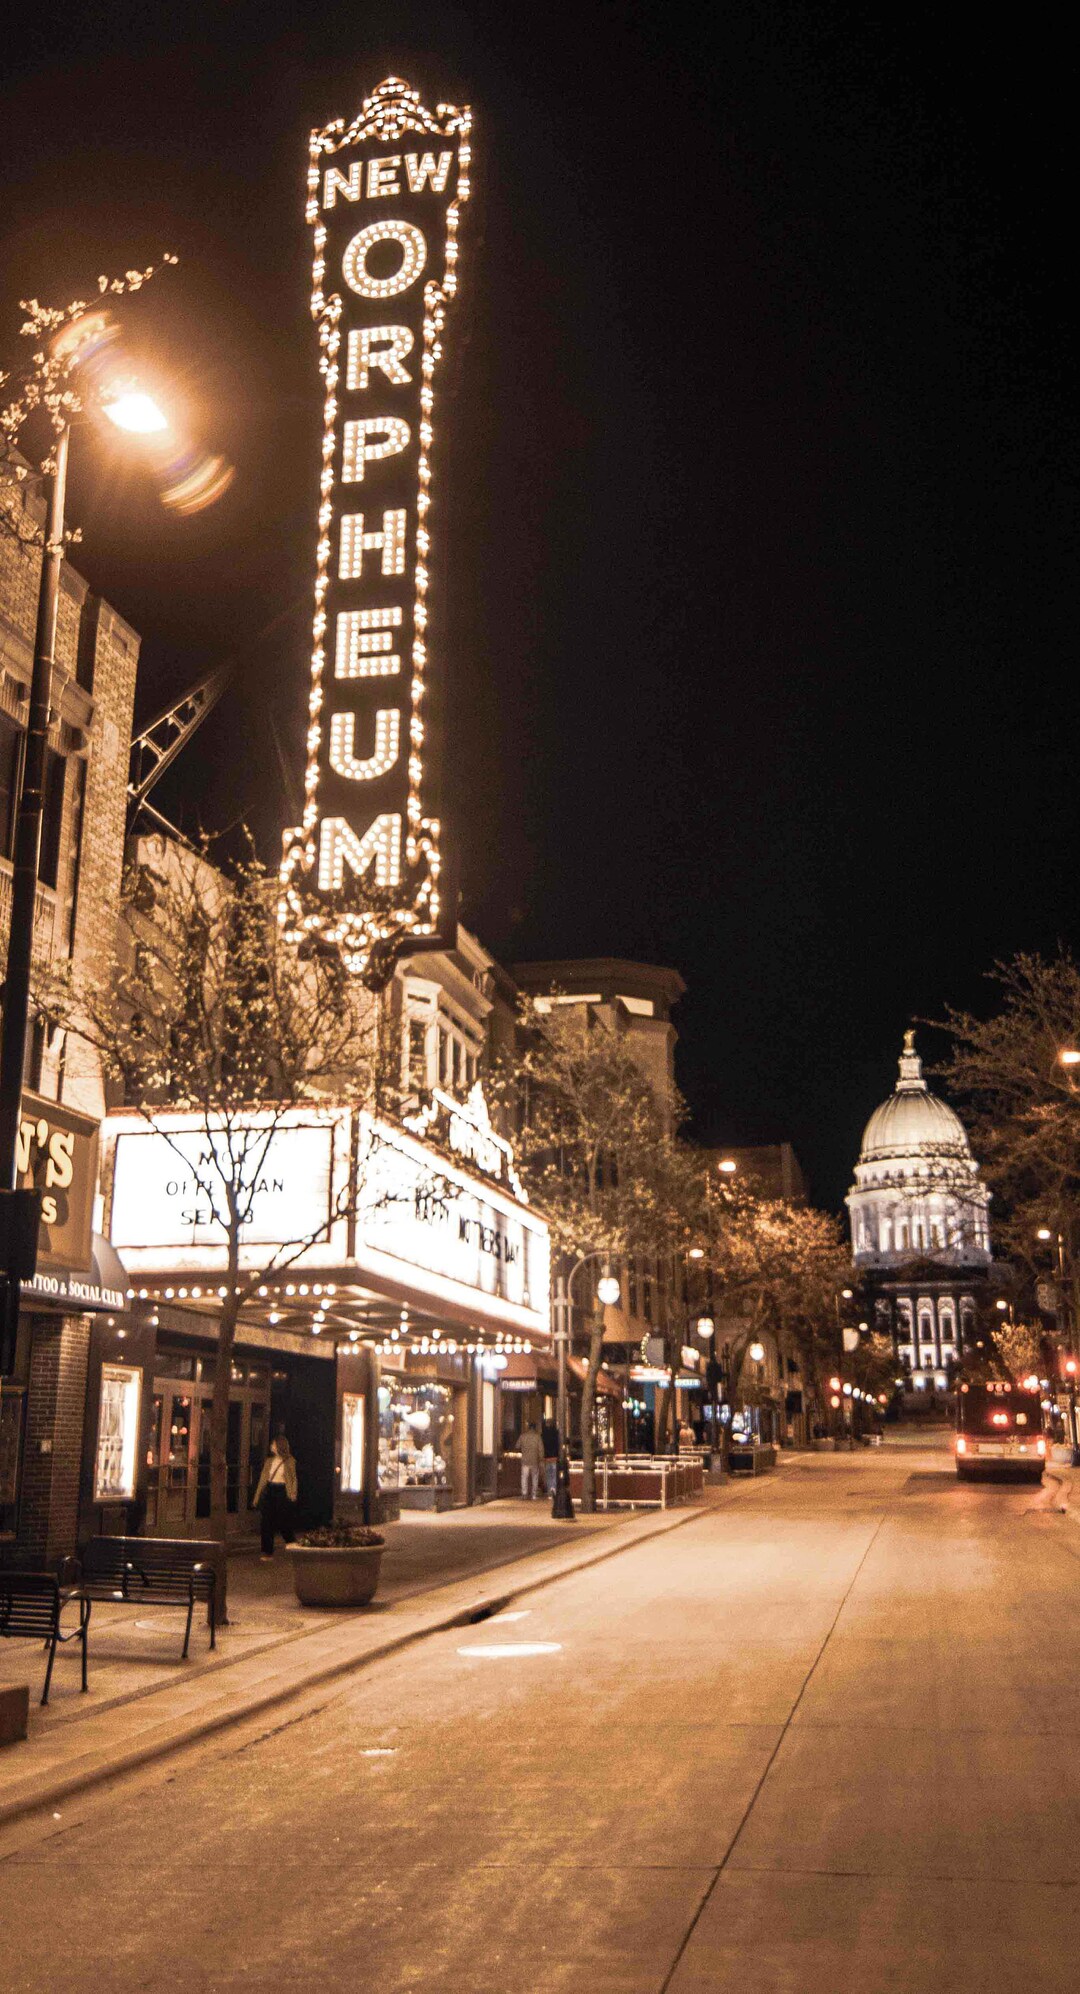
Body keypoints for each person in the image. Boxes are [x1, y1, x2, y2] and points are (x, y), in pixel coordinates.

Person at [253, 1432, 298, 1559]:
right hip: (270, 1489)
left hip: (282, 1490)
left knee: (283, 1518)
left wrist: (293, 1493)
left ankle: (290, 1541)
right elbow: (263, 1479)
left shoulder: (289, 1461)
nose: (271, 1446)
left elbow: (293, 1479)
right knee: (266, 1522)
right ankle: (267, 1552)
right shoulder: (269, 1461)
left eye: (273, 1444)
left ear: (279, 1446)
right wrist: (257, 1497)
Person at [518, 1422, 543, 1500]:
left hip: (525, 1460)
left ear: (528, 1428)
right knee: (535, 1477)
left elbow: (517, 1445)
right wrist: (541, 1458)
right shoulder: (537, 1437)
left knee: (524, 1477)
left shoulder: (523, 1436)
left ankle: (524, 1493)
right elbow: (541, 1449)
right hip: (535, 1460)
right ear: (535, 1428)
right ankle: (534, 1494)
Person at [541, 1417, 560, 1496]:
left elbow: (542, 1445)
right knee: (554, 1475)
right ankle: (554, 1489)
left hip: (547, 1457)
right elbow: (558, 1444)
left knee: (549, 1474)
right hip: (555, 1457)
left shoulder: (543, 1434)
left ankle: (549, 1491)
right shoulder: (556, 1433)